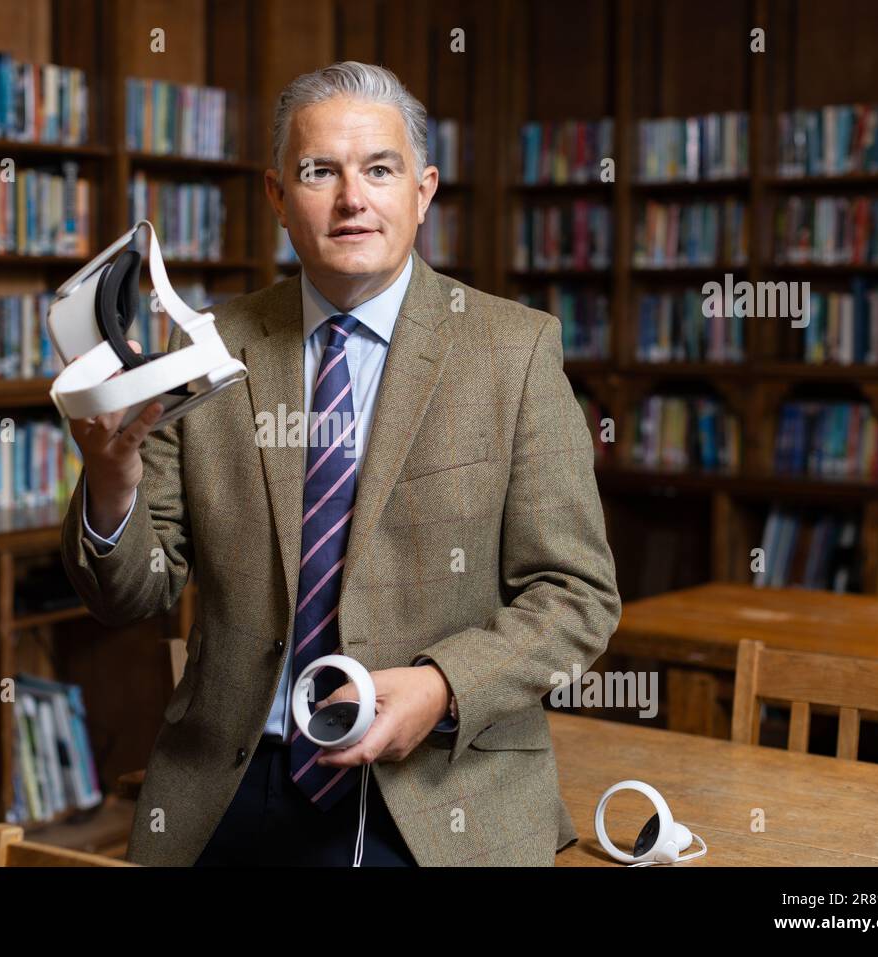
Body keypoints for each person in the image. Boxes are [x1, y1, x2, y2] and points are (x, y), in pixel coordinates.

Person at [61, 61, 620, 866]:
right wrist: (112, 483)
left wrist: (441, 686)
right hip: (231, 781)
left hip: (437, 785)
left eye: (380, 170)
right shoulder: (202, 349)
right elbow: (130, 595)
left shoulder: (515, 350)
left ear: (423, 191)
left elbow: (579, 597)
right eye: (320, 171)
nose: (353, 198)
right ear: (279, 197)